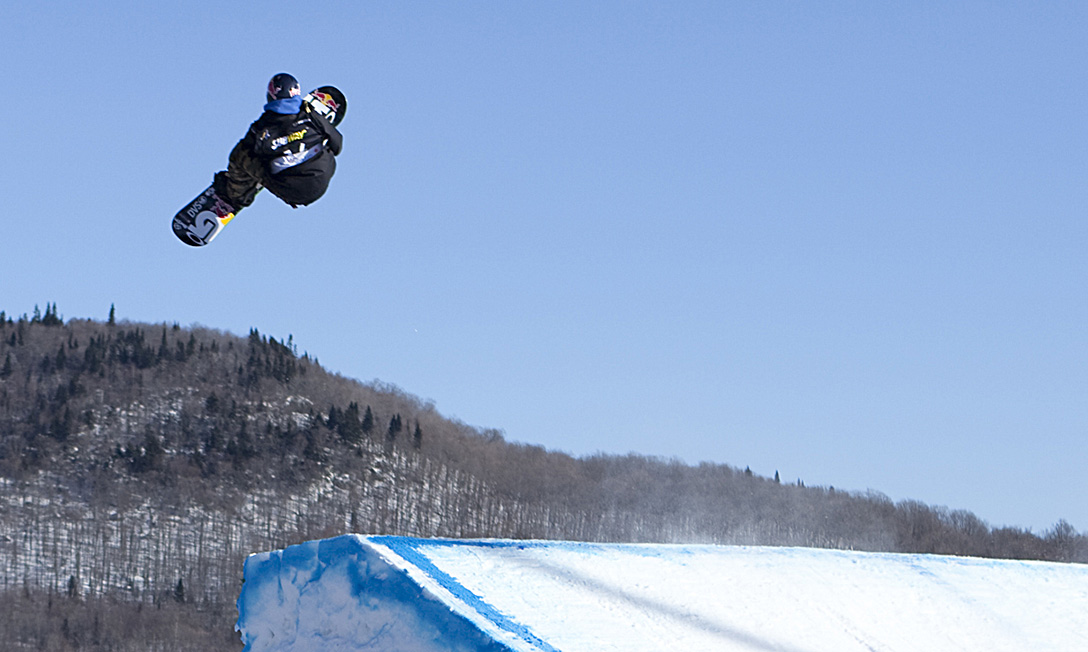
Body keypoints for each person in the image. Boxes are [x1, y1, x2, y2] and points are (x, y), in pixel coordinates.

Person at [213, 73, 343, 211]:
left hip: (291, 190)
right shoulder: (311, 115)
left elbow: (248, 149)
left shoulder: (262, 126)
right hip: (321, 179)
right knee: (324, 148)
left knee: (241, 155)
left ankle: (236, 195)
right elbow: (338, 144)